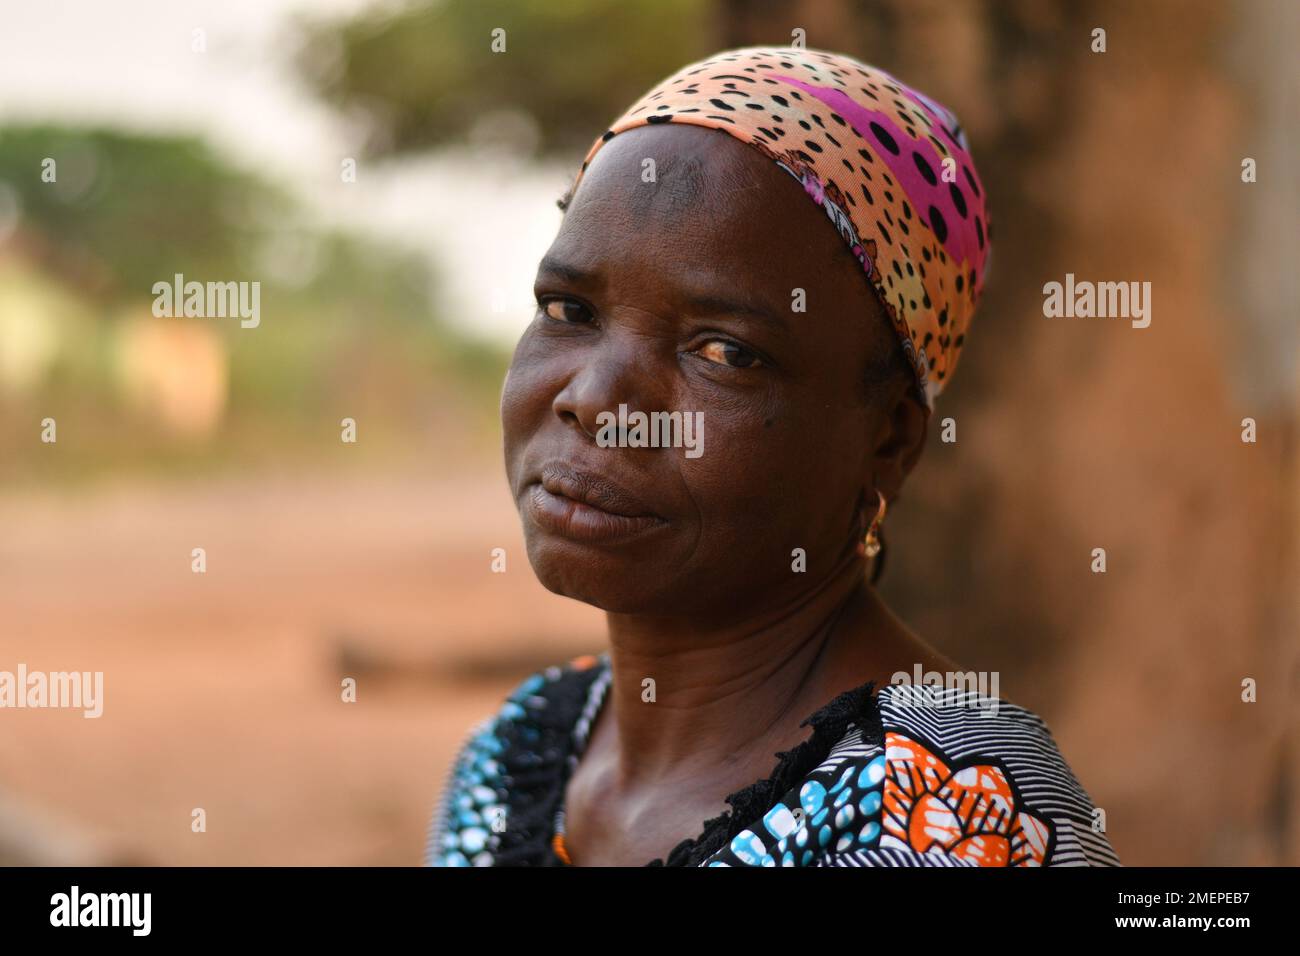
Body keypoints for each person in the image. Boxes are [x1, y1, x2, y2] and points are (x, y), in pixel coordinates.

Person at [426, 46, 1120, 867]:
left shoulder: (951, 815)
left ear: (887, 439)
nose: (596, 401)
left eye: (724, 352)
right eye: (569, 308)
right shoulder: (516, 757)